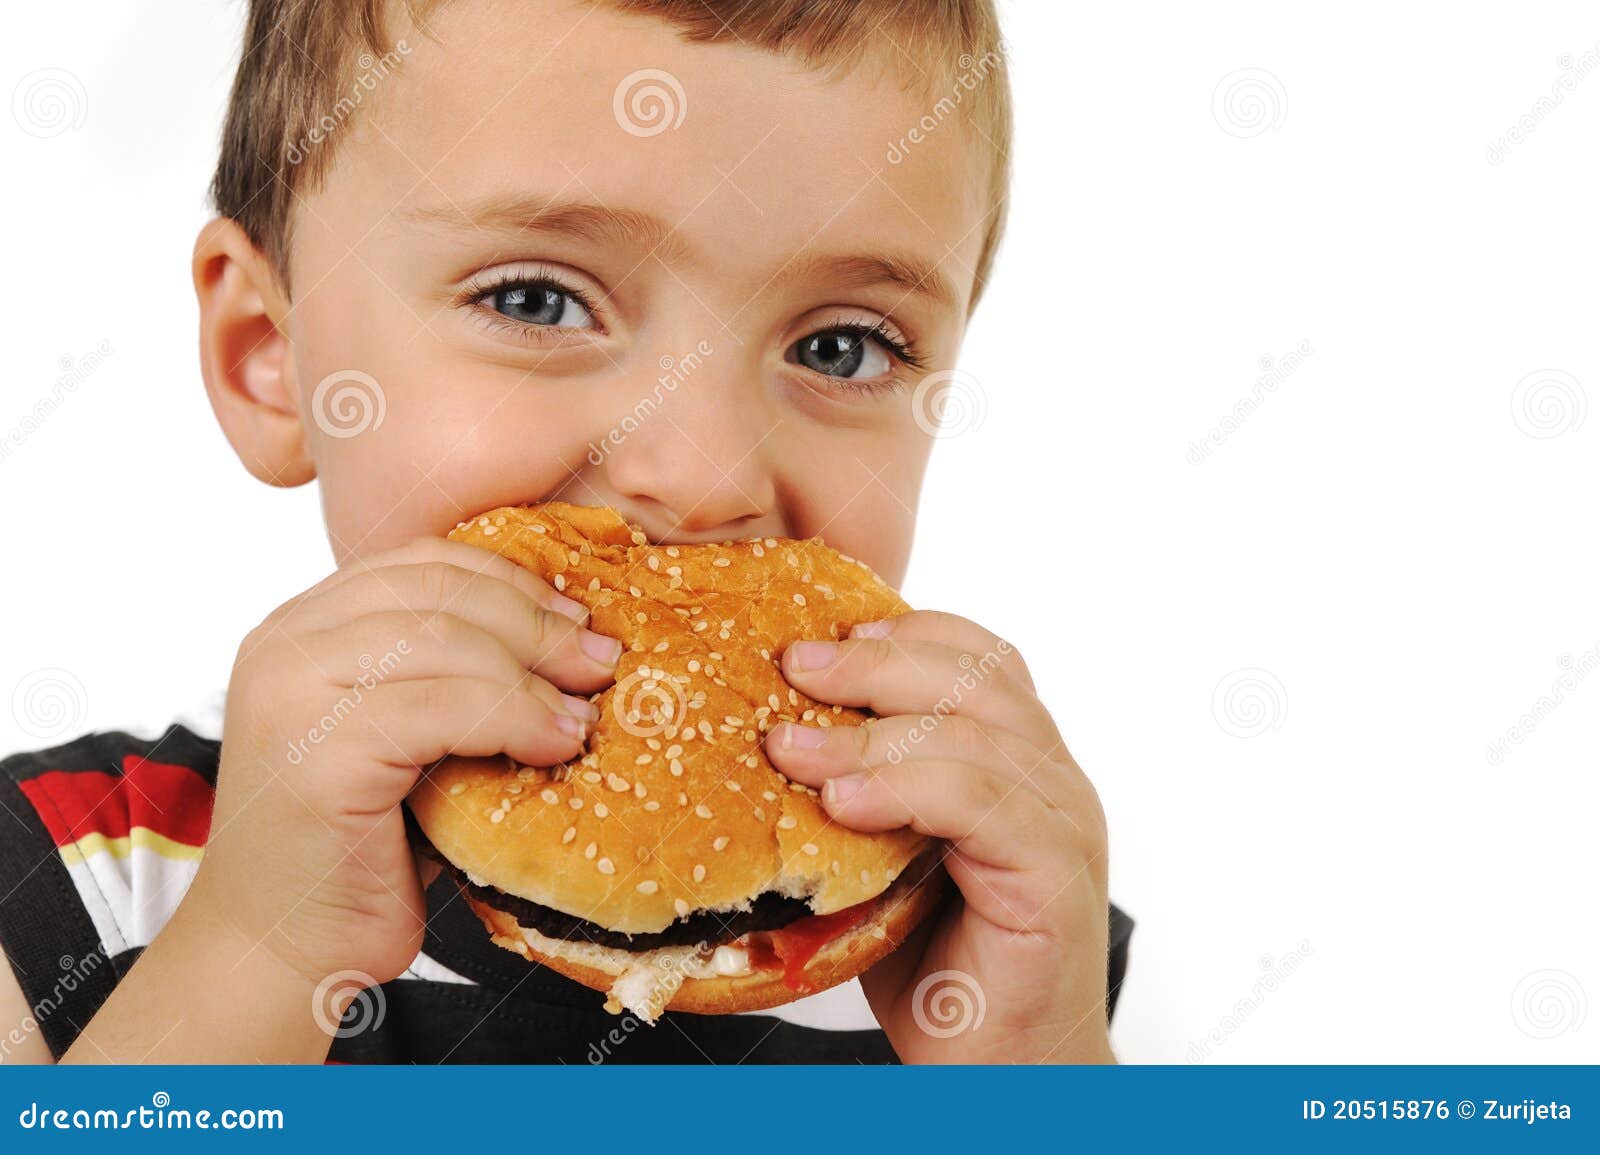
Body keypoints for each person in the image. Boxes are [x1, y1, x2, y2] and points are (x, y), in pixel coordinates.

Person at [0, 0, 1130, 1064]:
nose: (701, 478)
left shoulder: (1000, 953)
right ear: (271, 361)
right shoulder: (74, 880)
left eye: (842, 347)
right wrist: (258, 949)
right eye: (535, 299)